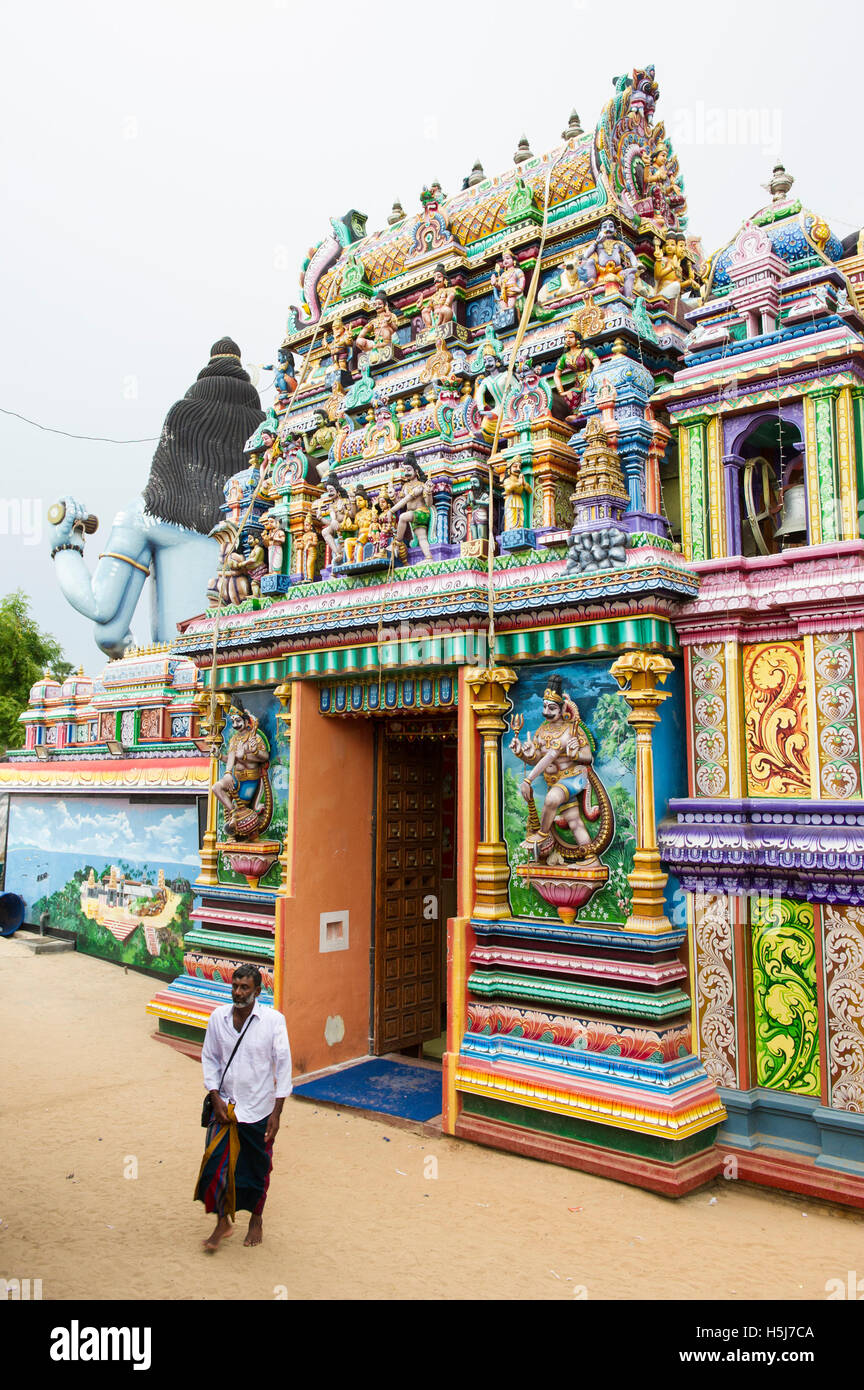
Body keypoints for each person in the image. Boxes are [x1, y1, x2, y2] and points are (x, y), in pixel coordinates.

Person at [195, 964, 293, 1251]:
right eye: (235, 986)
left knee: (257, 1169)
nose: (238, 992)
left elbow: (284, 1066)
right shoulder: (218, 1017)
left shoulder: (274, 1021)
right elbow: (209, 1058)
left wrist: (277, 1113)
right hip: (225, 1106)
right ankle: (222, 1222)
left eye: (245, 987)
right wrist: (214, 1096)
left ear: (257, 991)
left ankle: (256, 1220)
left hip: (259, 1109)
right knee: (216, 1167)